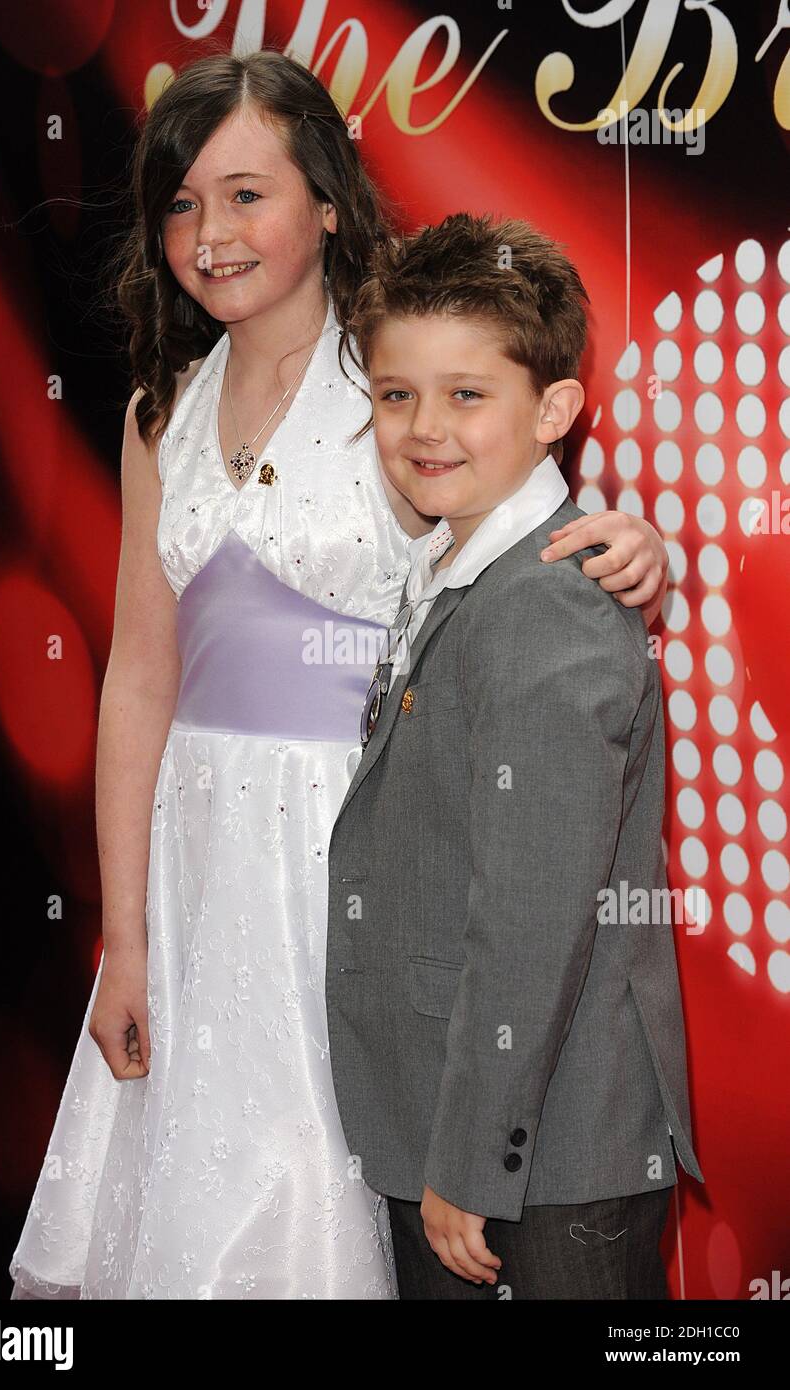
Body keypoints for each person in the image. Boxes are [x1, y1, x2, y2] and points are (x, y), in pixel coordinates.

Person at [9, 52, 671, 1301]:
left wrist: (635, 537)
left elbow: (506, 536)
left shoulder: (393, 382)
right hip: (201, 858)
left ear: (326, 200)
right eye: (184, 203)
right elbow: (139, 677)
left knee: (337, 1181)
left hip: (357, 848)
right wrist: (126, 935)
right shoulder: (161, 409)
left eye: (247, 194)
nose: (212, 235)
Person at [325, 211, 705, 1300]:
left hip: (542, 1162)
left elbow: (532, 916)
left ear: (553, 410)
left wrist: (468, 1156)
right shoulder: (462, 567)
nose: (423, 427)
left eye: (465, 394)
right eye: (395, 395)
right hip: (482, 1139)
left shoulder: (548, 605)